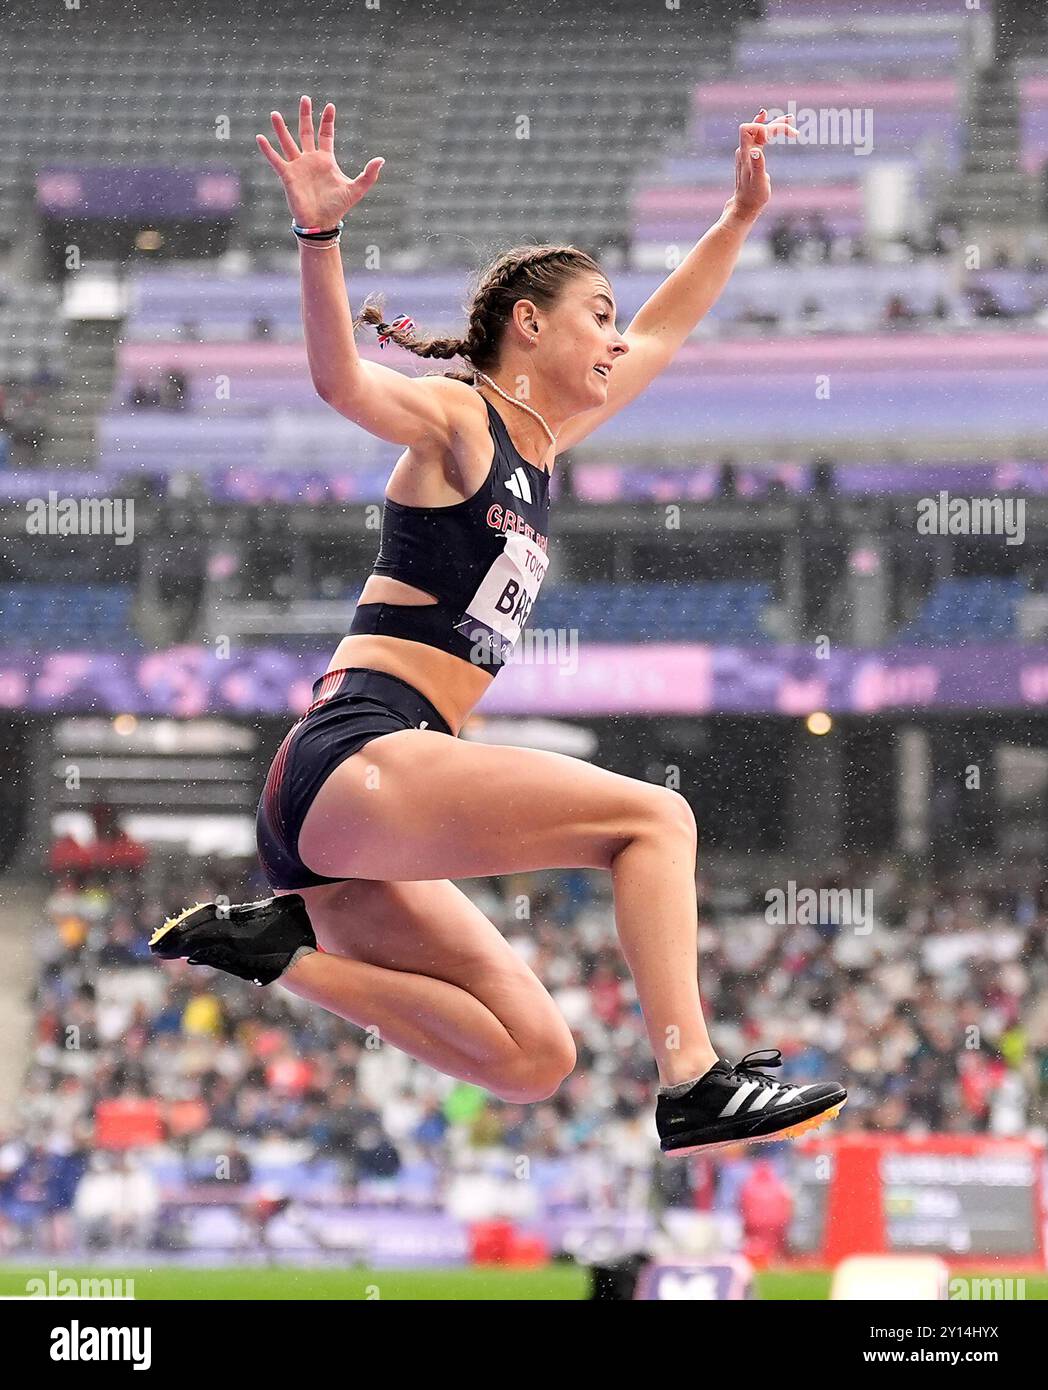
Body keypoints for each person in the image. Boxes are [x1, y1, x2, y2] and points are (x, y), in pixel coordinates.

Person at [152, 96, 846, 1155]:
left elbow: (665, 329)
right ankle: (693, 1078)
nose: (617, 335)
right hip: (358, 754)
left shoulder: (543, 438)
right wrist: (318, 234)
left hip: (367, 815)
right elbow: (339, 377)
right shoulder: (460, 419)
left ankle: (269, 948)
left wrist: (739, 219)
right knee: (653, 823)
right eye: (597, 315)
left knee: (530, 1060)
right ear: (530, 322)